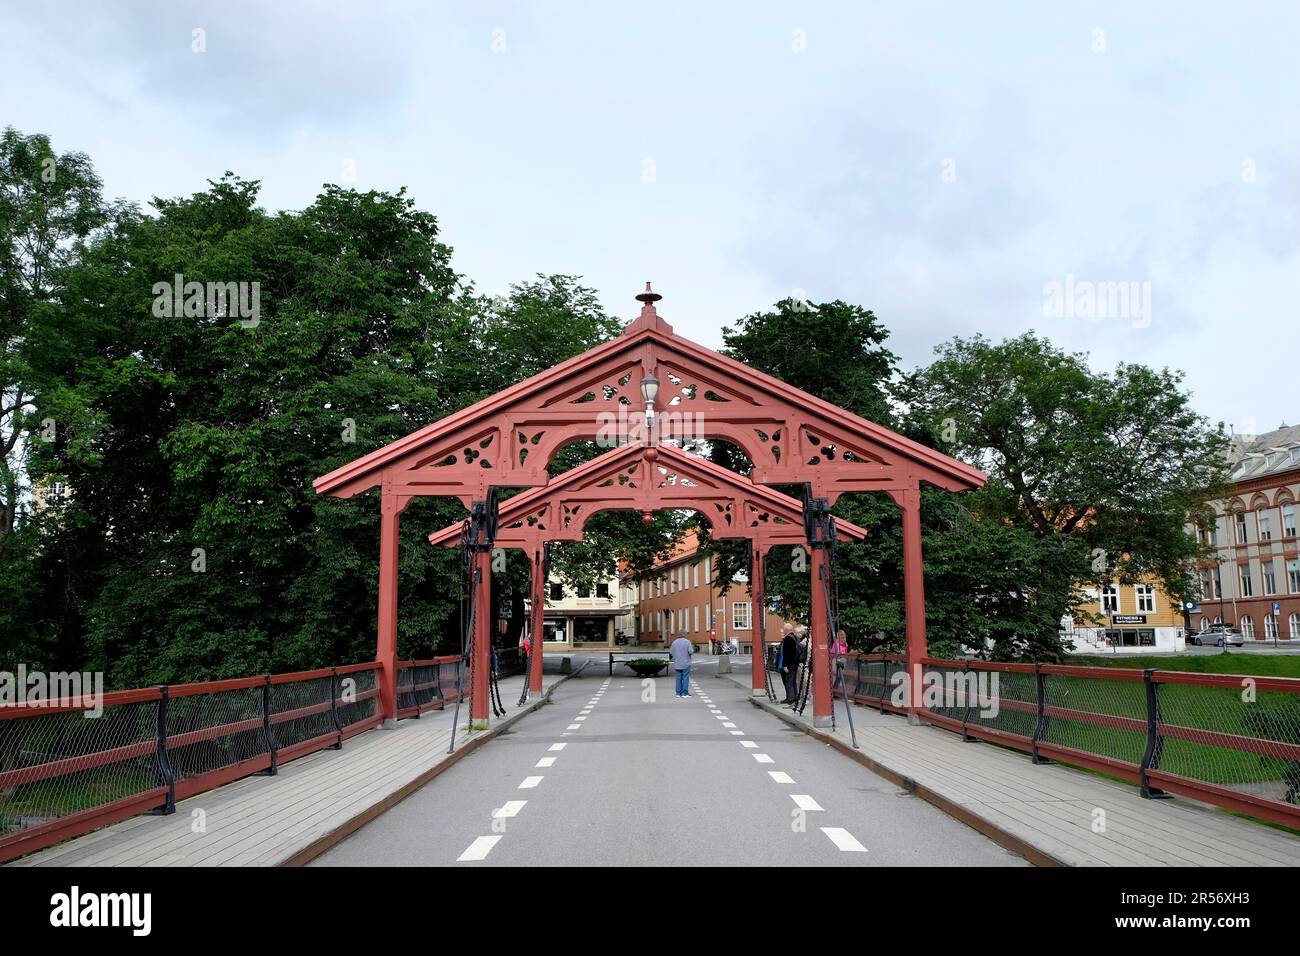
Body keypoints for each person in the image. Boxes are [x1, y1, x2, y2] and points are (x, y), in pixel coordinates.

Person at [780, 624, 800, 705]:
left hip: (790, 664)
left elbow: (787, 654)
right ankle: (794, 697)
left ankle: (791, 699)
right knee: (793, 681)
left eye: (784, 629)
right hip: (795, 663)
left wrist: (785, 665)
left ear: (786, 630)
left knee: (789, 681)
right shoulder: (794, 637)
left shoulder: (788, 639)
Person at [670, 632, 693, 698]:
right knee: (685, 678)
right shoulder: (687, 642)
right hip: (686, 663)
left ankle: (678, 693)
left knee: (678, 678)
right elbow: (691, 651)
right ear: (684, 635)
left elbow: (671, 652)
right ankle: (684, 693)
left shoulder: (674, 642)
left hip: (677, 663)